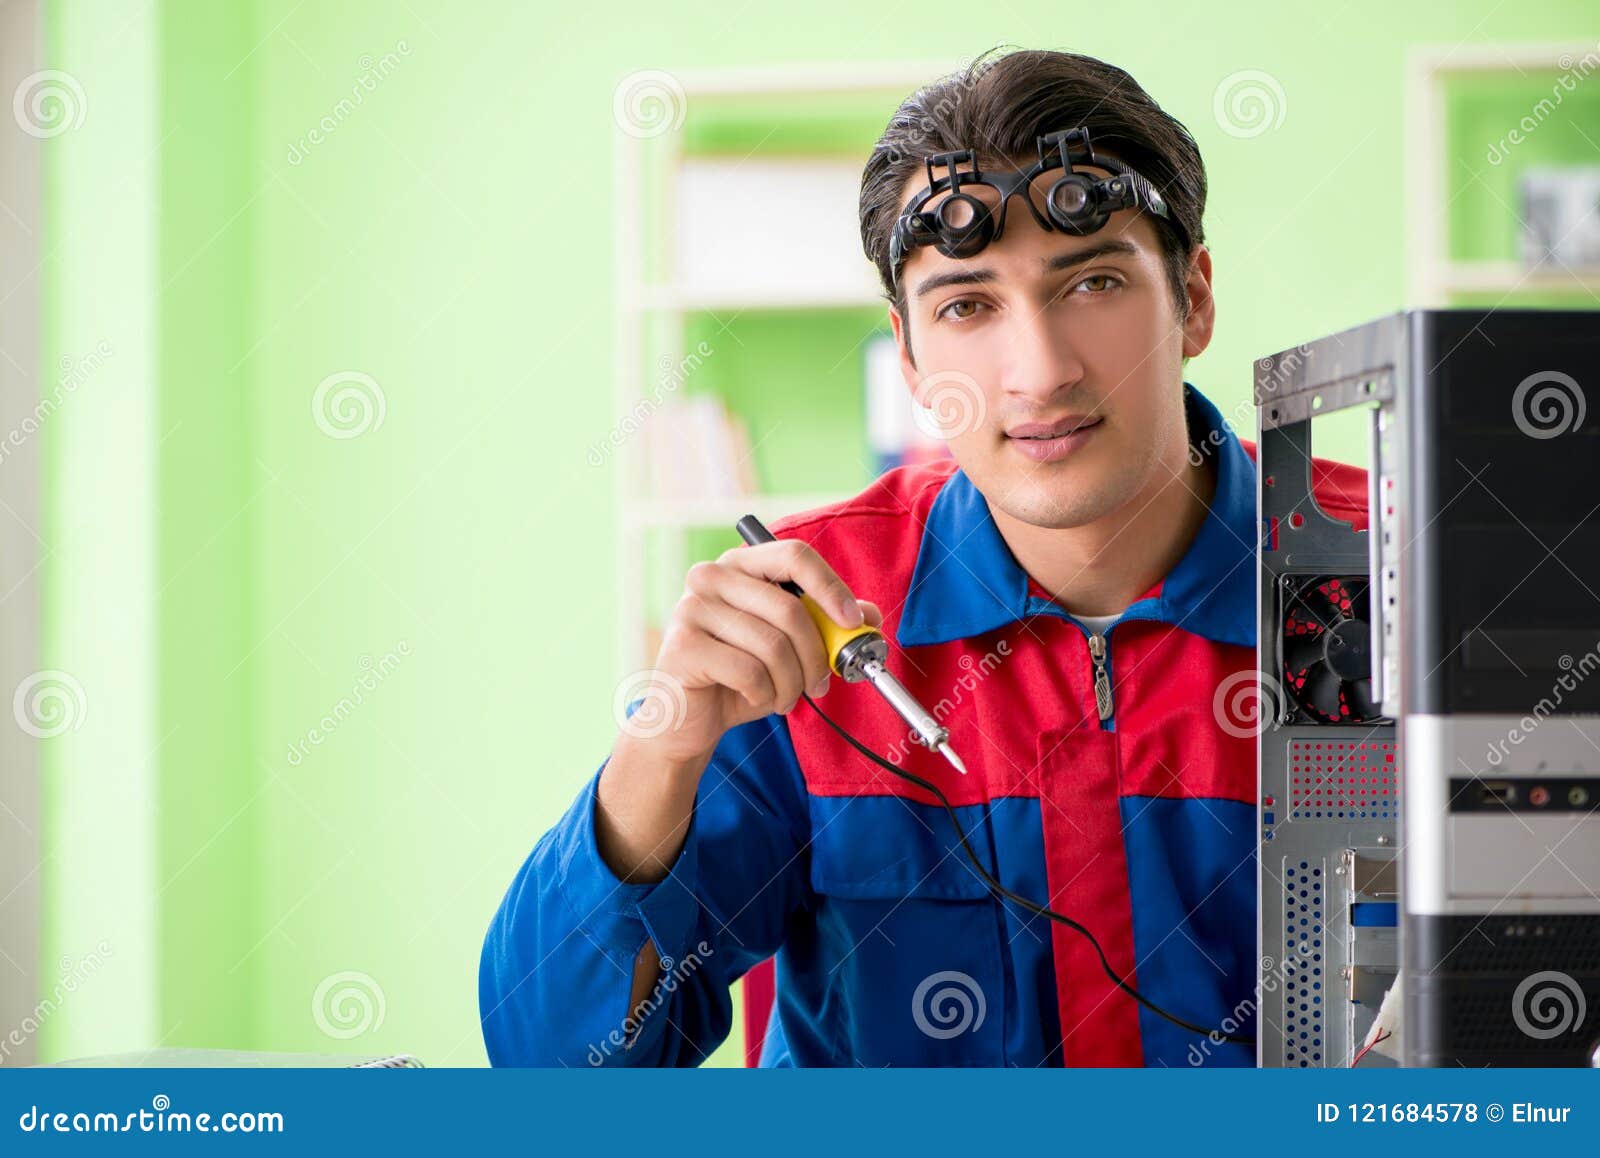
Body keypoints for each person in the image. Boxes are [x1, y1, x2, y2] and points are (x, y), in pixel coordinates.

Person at [480, 46, 1367, 1067]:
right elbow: (554, 1070)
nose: (1038, 372)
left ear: (1193, 299)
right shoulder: (807, 614)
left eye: (1093, 283)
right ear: (908, 358)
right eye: (965, 306)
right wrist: (663, 744)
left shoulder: (1403, 573)